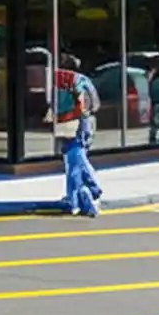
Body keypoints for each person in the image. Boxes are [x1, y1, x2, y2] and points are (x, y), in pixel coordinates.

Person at [52, 55, 101, 216]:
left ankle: (85, 194)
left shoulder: (63, 79)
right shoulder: (83, 80)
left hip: (69, 122)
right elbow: (95, 103)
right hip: (83, 122)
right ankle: (80, 197)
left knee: (75, 160)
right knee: (75, 160)